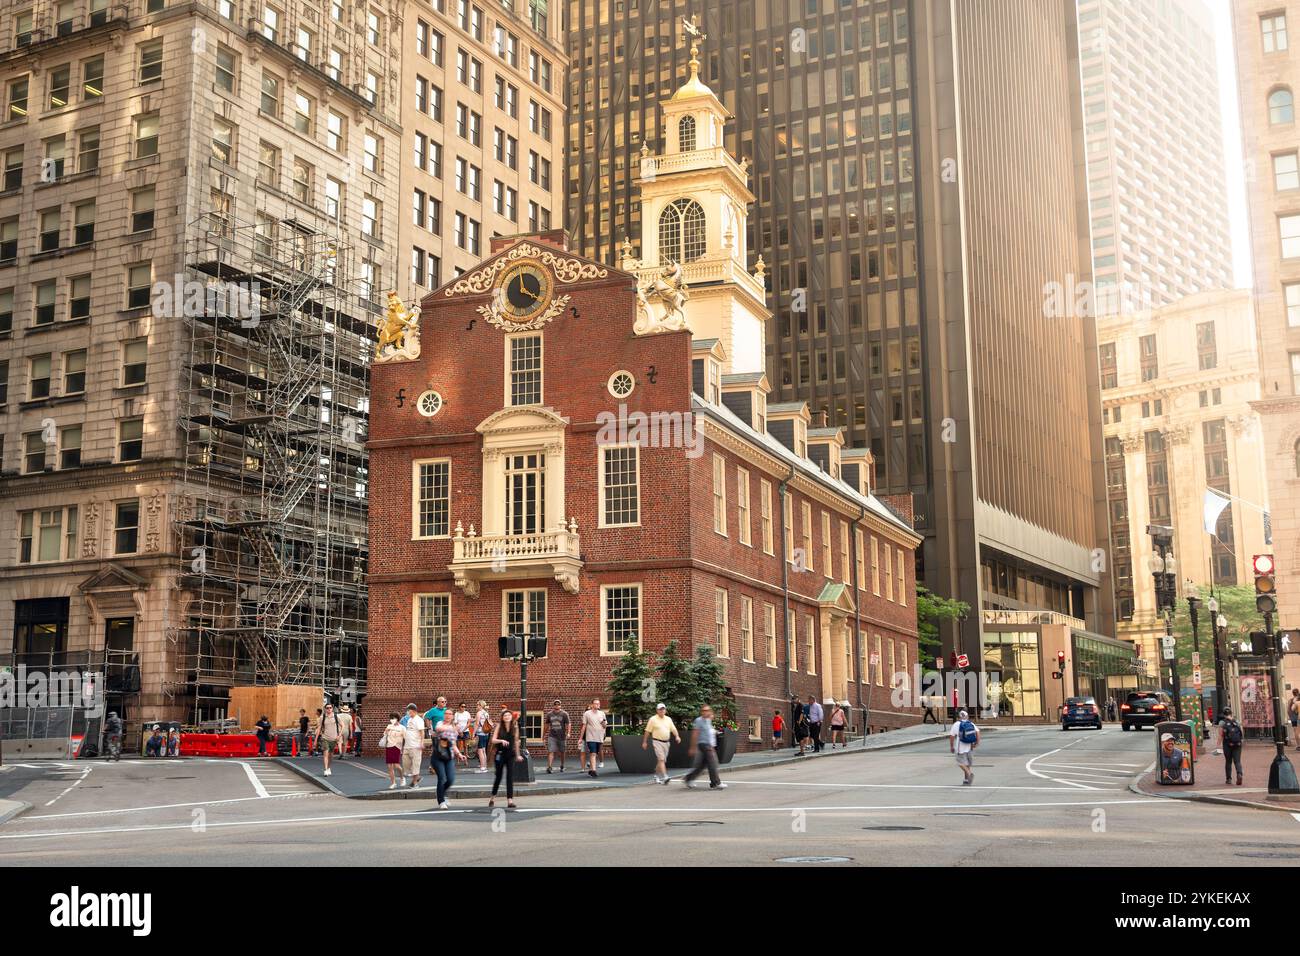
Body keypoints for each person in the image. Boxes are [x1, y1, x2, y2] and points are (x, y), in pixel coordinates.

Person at [681, 704, 726, 790]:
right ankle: (715, 783)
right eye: (704, 710)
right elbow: (695, 734)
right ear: (701, 712)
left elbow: (709, 732)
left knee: (701, 765)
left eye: (708, 710)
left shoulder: (708, 720)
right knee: (713, 763)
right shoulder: (699, 720)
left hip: (708, 745)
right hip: (703, 744)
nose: (706, 712)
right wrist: (692, 748)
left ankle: (688, 779)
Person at [432, 709, 468, 808]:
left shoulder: (454, 728)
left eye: (449, 714)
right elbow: (438, 729)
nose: (447, 715)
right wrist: (452, 728)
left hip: (449, 757)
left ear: (453, 716)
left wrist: (459, 754)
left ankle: (442, 793)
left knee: (451, 779)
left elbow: (453, 744)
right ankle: (441, 801)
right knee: (442, 778)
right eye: (446, 713)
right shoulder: (440, 723)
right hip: (438, 756)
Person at [489, 708, 523, 809]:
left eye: (509, 715)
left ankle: (510, 800)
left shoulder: (515, 727)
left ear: (511, 717)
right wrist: (501, 740)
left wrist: (518, 755)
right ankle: (492, 797)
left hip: (510, 754)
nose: (507, 717)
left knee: (510, 777)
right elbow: (493, 740)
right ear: (502, 718)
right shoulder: (499, 726)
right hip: (500, 754)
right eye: (505, 716)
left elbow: (516, 742)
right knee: (498, 777)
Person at [641, 703, 681, 784]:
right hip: (657, 741)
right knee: (661, 759)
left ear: (665, 710)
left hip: (666, 743)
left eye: (663, 709)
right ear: (657, 710)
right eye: (660, 709)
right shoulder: (653, 719)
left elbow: (673, 729)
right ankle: (665, 776)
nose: (662, 711)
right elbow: (647, 731)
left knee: (661, 761)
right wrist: (644, 742)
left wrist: (677, 736)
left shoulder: (668, 719)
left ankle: (656, 776)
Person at [949, 708, 980, 785]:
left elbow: (952, 736)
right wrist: (977, 742)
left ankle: (969, 774)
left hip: (960, 747)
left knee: (960, 762)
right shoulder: (971, 723)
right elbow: (978, 732)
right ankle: (966, 780)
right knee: (967, 764)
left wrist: (952, 746)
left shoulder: (956, 724)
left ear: (959, 717)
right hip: (969, 746)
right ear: (967, 716)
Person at [401, 703, 426, 788]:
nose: (407, 712)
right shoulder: (409, 720)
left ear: (413, 711)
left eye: (408, 710)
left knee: (415, 764)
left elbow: (422, 732)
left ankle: (414, 783)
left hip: (415, 745)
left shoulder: (418, 720)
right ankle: (417, 777)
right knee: (406, 763)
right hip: (407, 745)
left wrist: (422, 743)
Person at [1217, 708, 1244, 786]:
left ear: (1224, 714)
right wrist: (1241, 740)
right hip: (1237, 744)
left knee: (1228, 761)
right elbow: (1241, 732)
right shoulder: (1236, 721)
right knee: (1237, 761)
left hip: (1227, 744)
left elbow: (1221, 735)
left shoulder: (1222, 722)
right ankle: (1239, 774)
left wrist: (1218, 746)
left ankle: (1228, 779)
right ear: (1231, 713)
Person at [581, 699, 607, 777]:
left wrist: (603, 723)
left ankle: (590, 770)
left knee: (596, 753)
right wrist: (580, 738)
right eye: (595, 703)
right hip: (590, 737)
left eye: (598, 704)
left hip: (599, 737)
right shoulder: (587, 714)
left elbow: (605, 726)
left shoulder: (602, 714)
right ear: (592, 705)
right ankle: (594, 771)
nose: (597, 705)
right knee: (593, 753)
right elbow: (584, 726)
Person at [544, 699, 570, 774]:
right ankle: (549, 767)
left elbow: (568, 724)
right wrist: (543, 735)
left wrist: (568, 732)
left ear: (560, 705)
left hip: (562, 736)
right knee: (550, 751)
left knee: (562, 752)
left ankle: (562, 765)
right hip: (552, 735)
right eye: (555, 704)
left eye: (558, 704)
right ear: (553, 705)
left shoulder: (564, 714)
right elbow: (546, 725)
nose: (557, 706)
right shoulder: (549, 714)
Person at [318, 702, 343, 776]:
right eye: (327, 708)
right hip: (325, 738)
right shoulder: (322, 717)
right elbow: (319, 728)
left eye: (330, 708)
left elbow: (342, 725)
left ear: (332, 709)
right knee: (325, 753)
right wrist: (316, 739)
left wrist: (339, 735)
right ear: (325, 709)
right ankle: (325, 769)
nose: (329, 709)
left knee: (331, 755)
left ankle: (328, 768)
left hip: (334, 738)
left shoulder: (336, 716)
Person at [381, 713, 405, 789]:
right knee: (389, 766)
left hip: (397, 747)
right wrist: (386, 731)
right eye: (391, 718)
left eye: (393, 718)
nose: (392, 720)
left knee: (396, 765)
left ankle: (402, 778)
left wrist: (404, 748)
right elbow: (385, 735)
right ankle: (393, 783)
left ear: (397, 718)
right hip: (389, 746)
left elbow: (405, 738)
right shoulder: (389, 726)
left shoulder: (402, 728)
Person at [473, 701, 493, 773]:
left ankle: (482, 768)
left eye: (477, 705)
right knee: (484, 750)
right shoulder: (486, 713)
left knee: (480, 750)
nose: (476, 706)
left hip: (480, 733)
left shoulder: (479, 713)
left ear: (480, 705)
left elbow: (477, 723)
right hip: (486, 733)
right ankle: (484, 766)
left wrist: (473, 733)